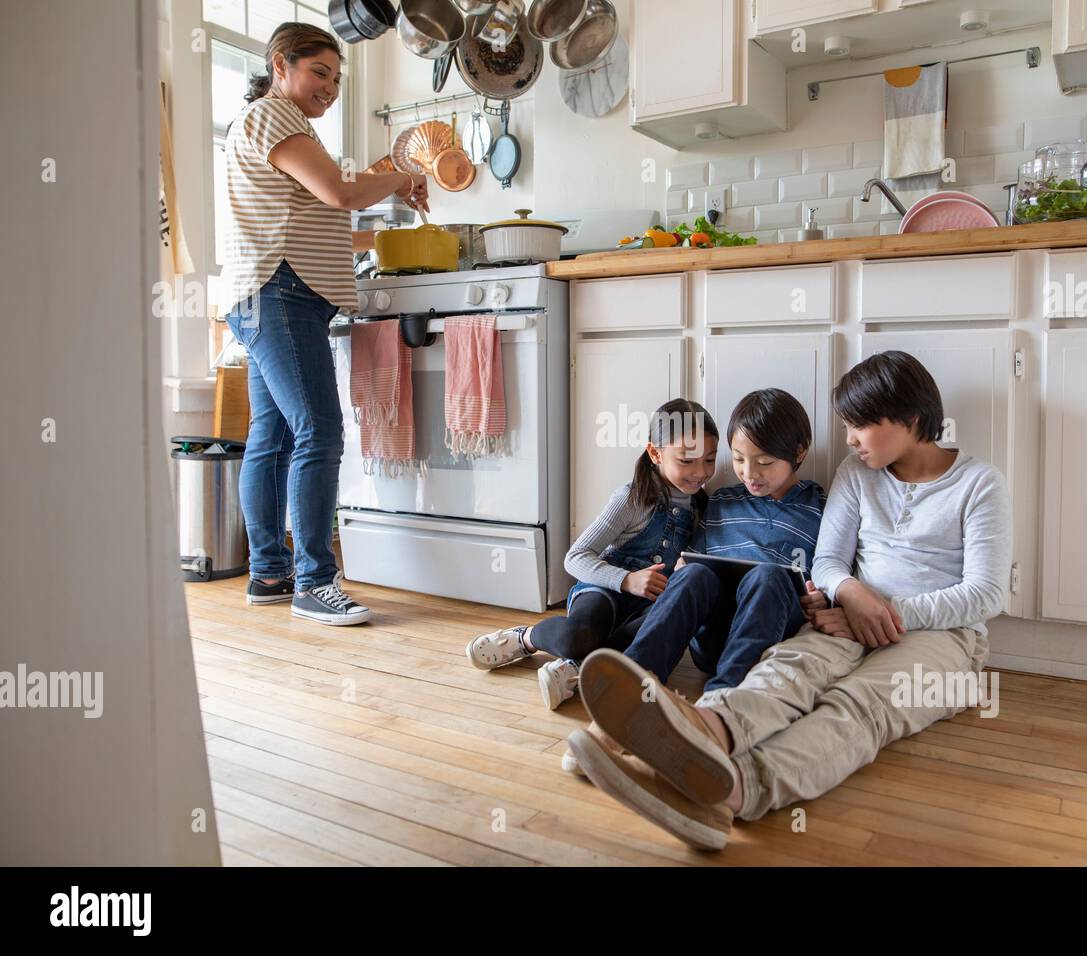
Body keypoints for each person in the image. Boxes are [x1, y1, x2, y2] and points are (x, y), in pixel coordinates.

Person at [569, 351, 1012, 850]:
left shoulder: (979, 484)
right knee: (787, 670)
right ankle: (704, 732)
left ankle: (731, 794)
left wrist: (885, 612)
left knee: (857, 706)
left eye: (859, 425)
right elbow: (828, 562)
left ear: (909, 420)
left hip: (942, 635)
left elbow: (986, 594)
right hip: (848, 614)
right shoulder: (858, 472)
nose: (848, 438)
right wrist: (850, 593)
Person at [221, 22, 428, 625]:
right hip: (279, 292)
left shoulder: (284, 127)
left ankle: (269, 574)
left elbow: (323, 216)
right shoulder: (273, 116)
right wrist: (405, 175)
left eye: (337, 78)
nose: (330, 86)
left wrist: (382, 227)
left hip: (267, 292)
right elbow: (340, 192)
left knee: (275, 436)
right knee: (319, 430)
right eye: (319, 72)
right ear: (280, 66)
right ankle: (314, 580)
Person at [465, 400, 718, 713]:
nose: (701, 472)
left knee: (644, 639)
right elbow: (576, 557)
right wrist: (625, 579)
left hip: (650, 605)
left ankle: (575, 671)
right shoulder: (632, 497)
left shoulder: (701, 511)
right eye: (687, 460)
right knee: (577, 637)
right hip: (604, 590)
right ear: (655, 454)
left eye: (709, 460)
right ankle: (527, 638)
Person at [615, 389, 826, 697]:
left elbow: (831, 569)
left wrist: (821, 596)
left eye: (764, 462)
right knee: (695, 573)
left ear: (799, 453)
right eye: (739, 459)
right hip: (714, 635)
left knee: (767, 574)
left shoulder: (818, 506)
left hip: (772, 630)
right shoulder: (723, 501)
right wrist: (685, 567)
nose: (749, 474)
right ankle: (632, 681)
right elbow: (694, 559)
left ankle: (722, 697)